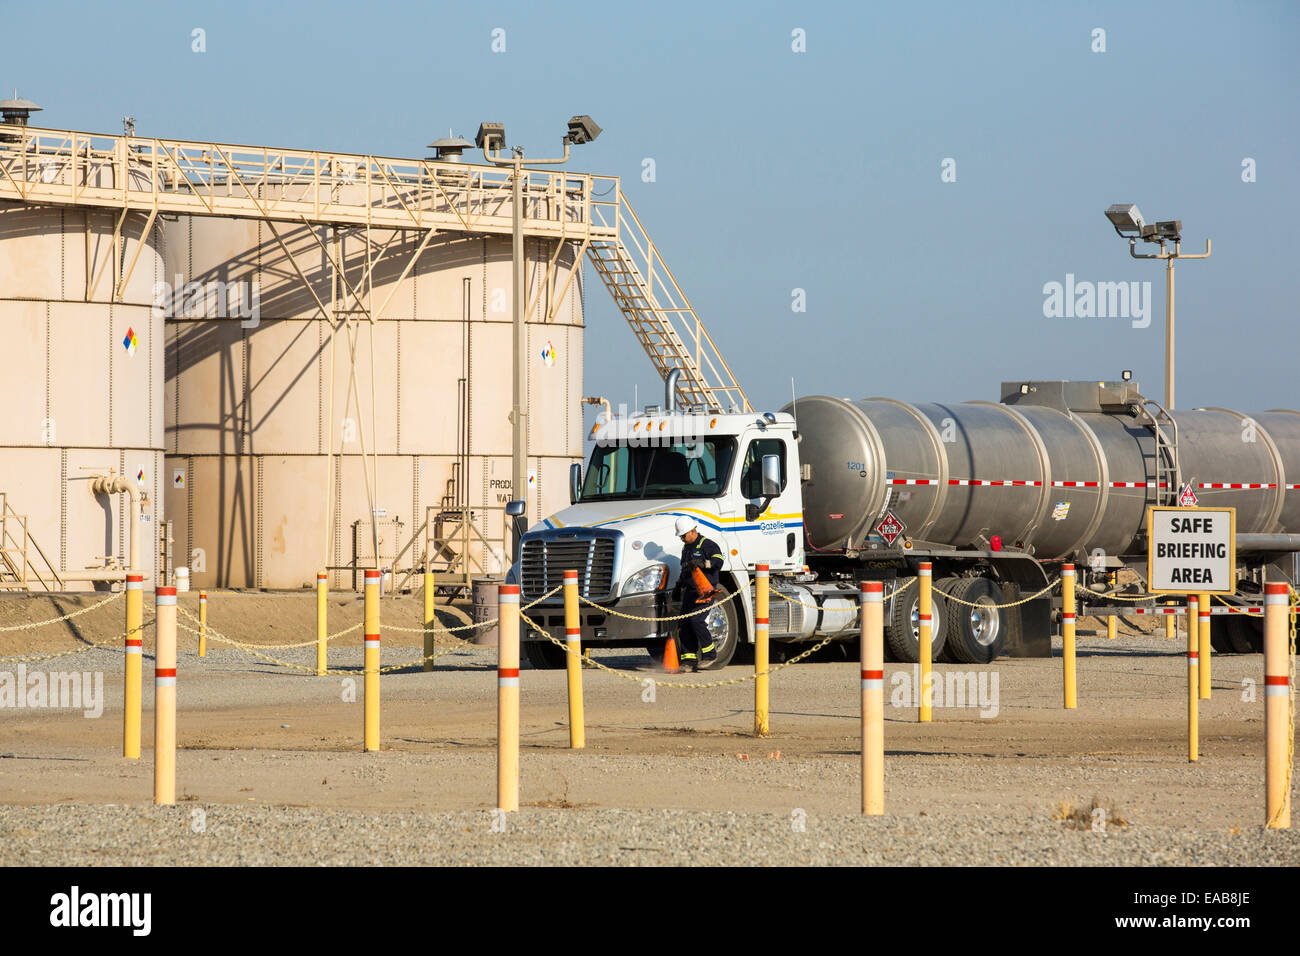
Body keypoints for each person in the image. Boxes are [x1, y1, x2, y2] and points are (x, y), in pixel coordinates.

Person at [672, 516, 724, 671]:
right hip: (690, 592)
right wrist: (678, 586)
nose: (681, 538)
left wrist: (703, 563)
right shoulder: (686, 548)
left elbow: (719, 561)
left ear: (693, 531)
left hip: (705, 592)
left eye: (683, 535)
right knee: (685, 625)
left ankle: (710, 655)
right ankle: (689, 660)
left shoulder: (707, 545)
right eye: (680, 536)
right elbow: (685, 570)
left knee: (696, 621)